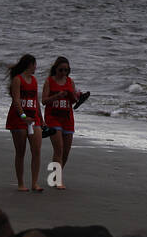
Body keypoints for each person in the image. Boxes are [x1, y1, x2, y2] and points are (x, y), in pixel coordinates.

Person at [41, 56, 87, 190]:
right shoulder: (49, 81)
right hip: (53, 117)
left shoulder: (70, 81)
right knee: (58, 149)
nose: (63, 73)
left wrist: (75, 96)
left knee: (66, 152)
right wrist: (56, 96)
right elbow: (43, 101)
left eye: (66, 70)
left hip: (67, 118)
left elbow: (73, 101)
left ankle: (54, 177)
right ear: (55, 69)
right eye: (61, 70)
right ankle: (57, 180)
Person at [5, 54, 44, 192]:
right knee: (20, 152)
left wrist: (41, 118)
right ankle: (21, 183)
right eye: (34, 64)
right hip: (19, 119)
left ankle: (35, 183)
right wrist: (23, 116)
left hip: (34, 119)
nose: (36, 67)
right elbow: (16, 100)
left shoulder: (34, 80)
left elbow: (36, 101)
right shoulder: (18, 79)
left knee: (36, 151)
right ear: (29, 64)